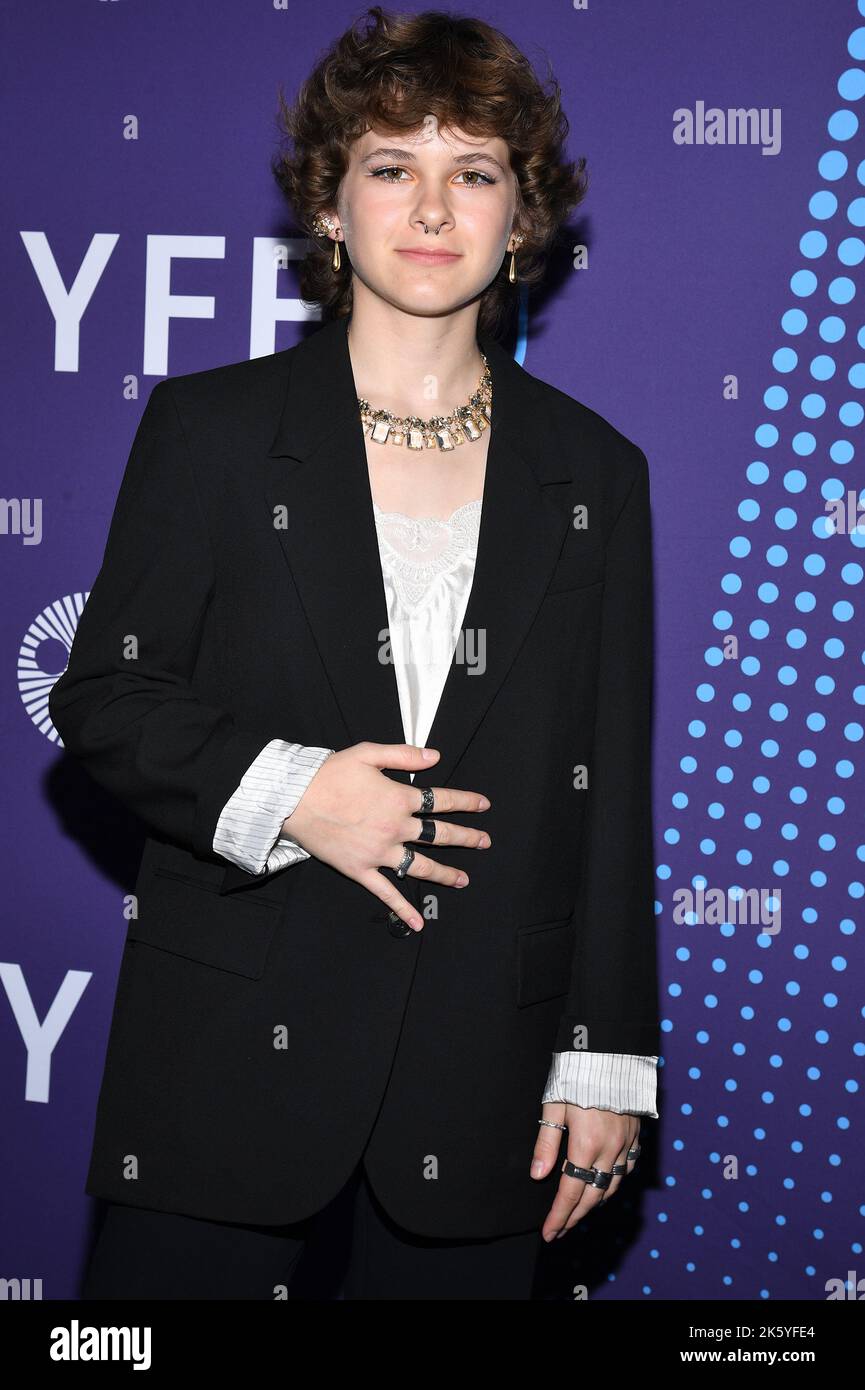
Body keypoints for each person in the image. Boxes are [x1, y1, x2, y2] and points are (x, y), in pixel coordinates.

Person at [49, 6, 660, 1300]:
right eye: (392, 166)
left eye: (474, 173)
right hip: (222, 1056)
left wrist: (606, 1056)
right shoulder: (213, 431)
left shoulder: (594, 474)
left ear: (523, 219)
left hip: (482, 1069)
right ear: (330, 207)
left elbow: (603, 791)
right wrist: (293, 791)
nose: (432, 206)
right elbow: (104, 692)